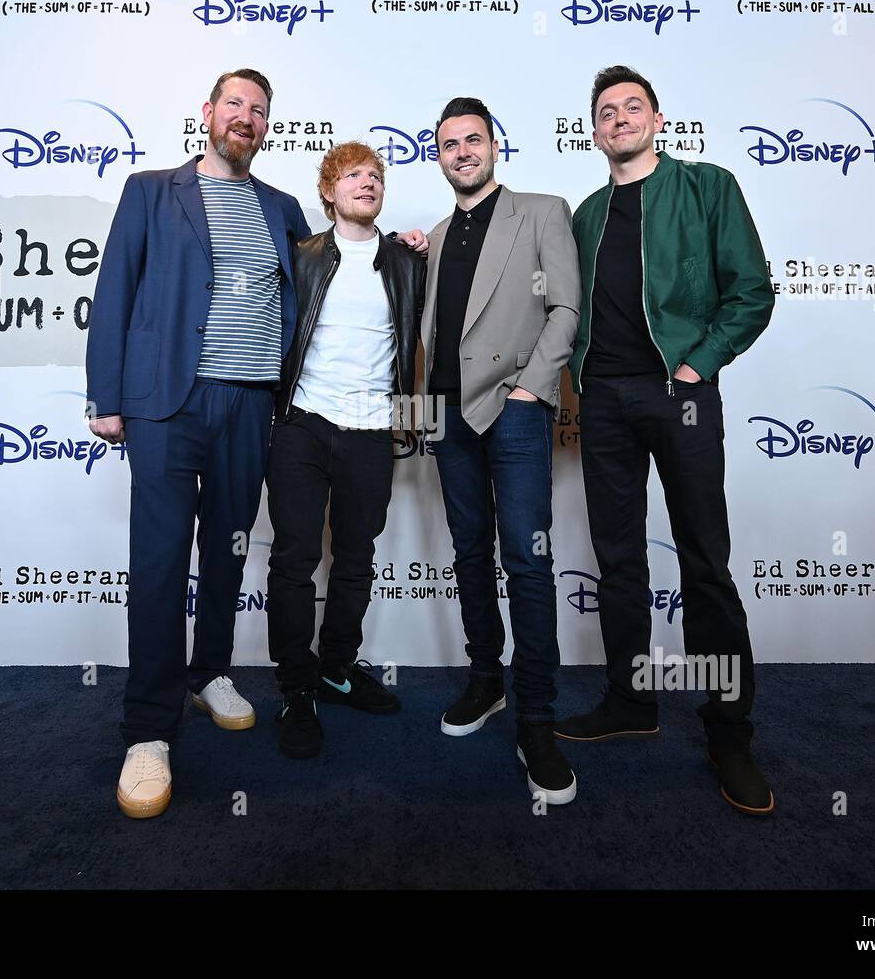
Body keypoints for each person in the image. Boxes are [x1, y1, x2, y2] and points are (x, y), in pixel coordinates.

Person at [86, 69, 311, 819]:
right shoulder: (151, 190)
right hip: (164, 403)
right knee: (157, 560)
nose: (246, 117)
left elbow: (325, 286)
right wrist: (106, 395)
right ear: (207, 114)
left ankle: (210, 670)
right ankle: (149, 729)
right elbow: (115, 287)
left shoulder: (282, 207)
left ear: (268, 127)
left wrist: (404, 247)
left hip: (250, 406)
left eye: (259, 110)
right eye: (235, 104)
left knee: (229, 546)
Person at [561, 65, 776, 815]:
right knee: (618, 557)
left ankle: (729, 731)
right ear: (594, 132)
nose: (619, 118)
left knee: (702, 561)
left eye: (631, 107)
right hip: (606, 401)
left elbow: (752, 289)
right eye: (606, 111)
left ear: (657, 118)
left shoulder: (706, 187)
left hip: (678, 394)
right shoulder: (585, 214)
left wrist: (697, 365)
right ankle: (631, 697)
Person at [423, 97, 581, 804]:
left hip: (514, 411)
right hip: (450, 415)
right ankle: (485, 678)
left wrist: (532, 391)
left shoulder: (543, 210)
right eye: (450, 144)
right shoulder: (433, 234)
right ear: (439, 156)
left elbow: (566, 308)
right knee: (468, 552)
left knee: (527, 558)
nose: (463, 151)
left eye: (473, 139)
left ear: (495, 145)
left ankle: (537, 718)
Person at [266, 141, 427, 759]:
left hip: (371, 430)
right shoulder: (300, 255)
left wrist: (428, 246)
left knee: (356, 557)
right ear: (329, 192)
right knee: (295, 559)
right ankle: (295, 690)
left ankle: (336, 669)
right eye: (353, 175)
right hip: (302, 425)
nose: (368, 183)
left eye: (376, 176)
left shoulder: (407, 261)